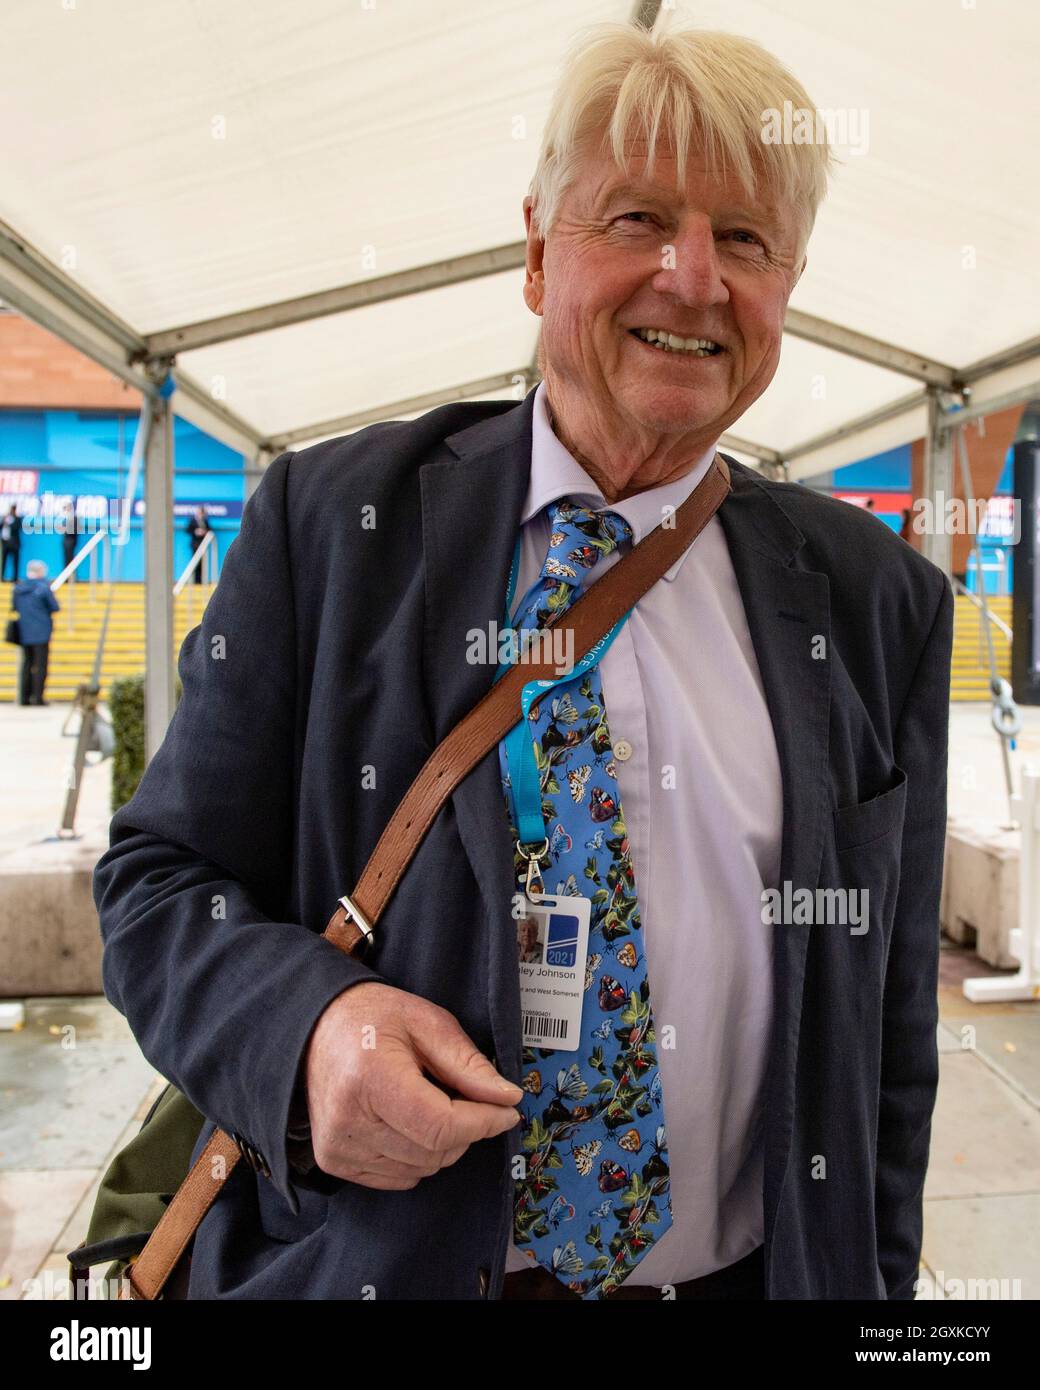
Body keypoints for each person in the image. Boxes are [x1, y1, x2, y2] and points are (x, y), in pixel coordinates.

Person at [93, 23, 953, 1301]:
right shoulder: (331, 527)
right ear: (539, 251)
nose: (693, 279)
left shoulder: (878, 603)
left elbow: (888, 1039)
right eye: (638, 218)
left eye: (745, 240)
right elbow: (157, 882)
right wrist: (308, 1030)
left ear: (789, 284)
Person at [14, 559, 60, 706]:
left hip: (24, 631)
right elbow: (54, 607)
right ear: (40, 572)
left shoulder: (18, 588)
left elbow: (15, 607)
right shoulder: (43, 588)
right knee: (40, 666)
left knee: (26, 664)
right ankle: (38, 697)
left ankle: (24, 698)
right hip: (42, 632)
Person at [186, 505, 212, 583]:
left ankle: (200, 581)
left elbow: (210, 530)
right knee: (195, 563)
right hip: (195, 545)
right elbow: (188, 530)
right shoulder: (193, 521)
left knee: (202, 564)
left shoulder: (205, 521)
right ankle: (195, 581)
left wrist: (204, 532)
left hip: (203, 545)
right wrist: (196, 531)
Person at [1, 505, 22, 581]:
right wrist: (4, 521)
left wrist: (8, 524)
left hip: (14, 544)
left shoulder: (17, 519)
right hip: (5, 543)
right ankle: (2, 577)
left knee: (15, 562)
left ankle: (15, 578)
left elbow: (17, 527)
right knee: (4, 561)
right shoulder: (5, 518)